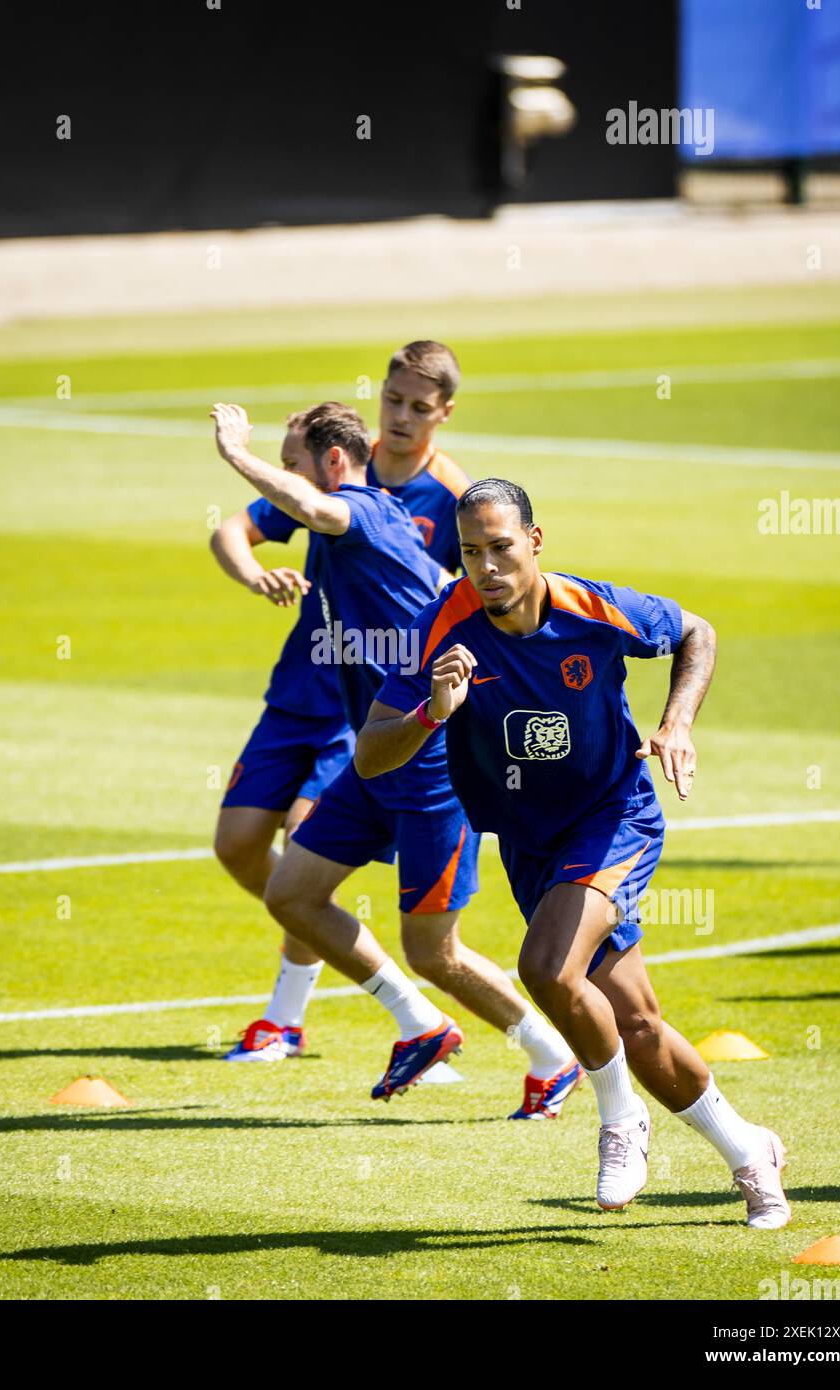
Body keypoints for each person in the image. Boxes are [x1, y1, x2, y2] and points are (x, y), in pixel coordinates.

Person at [353, 478, 791, 1227]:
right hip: (529, 841)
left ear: (534, 541)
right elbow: (369, 757)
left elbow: (696, 632)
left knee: (544, 967)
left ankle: (620, 1121)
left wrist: (676, 721)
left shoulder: (592, 608)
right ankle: (750, 1152)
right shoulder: (442, 627)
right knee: (638, 1024)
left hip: (612, 816)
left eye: (499, 547)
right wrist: (433, 710)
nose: (485, 567)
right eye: (469, 553)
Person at [210, 405, 579, 1112]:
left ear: (335, 463)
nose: (285, 477)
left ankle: (550, 1053)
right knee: (291, 892)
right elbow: (279, 514)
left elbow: (309, 505)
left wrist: (235, 453)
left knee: (434, 951)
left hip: (436, 765)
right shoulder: (356, 520)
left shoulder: (362, 514)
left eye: (293, 462)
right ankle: (420, 1024)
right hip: (377, 753)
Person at [209, 341, 469, 1062]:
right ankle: (331, 940)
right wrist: (254, 572)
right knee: (237, 847)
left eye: (419, 407)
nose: (401, 417)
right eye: (393, 400)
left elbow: (476, 592)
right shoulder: (334, 467)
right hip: (304, 685)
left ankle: (289, 1016)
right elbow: (236, 526)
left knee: (304, 844)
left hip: (373, 704)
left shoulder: (449, 499)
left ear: (443, 413)